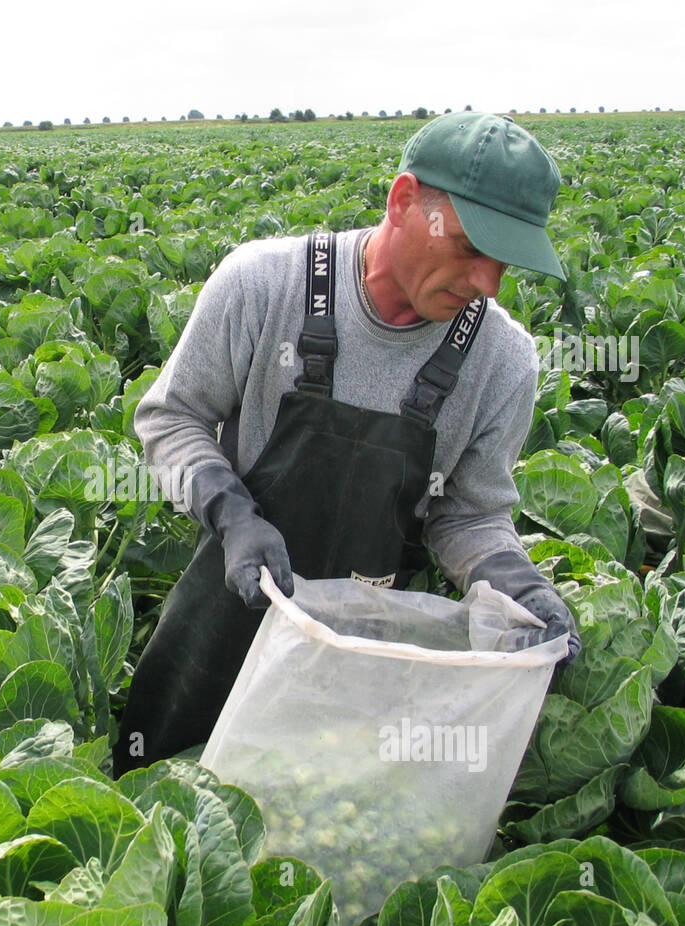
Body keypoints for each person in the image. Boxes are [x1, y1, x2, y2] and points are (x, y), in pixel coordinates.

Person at [113, 112, 581, 776]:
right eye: (472, 249)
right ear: (403, 201)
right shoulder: (263, 285)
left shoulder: (502, 361)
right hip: (231, 608)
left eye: (505, 263)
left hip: (368, 646)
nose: (488, 283)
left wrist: (517, 584)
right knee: (157, 788)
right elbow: (171, 419)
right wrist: (232, 515)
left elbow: (468, 514)